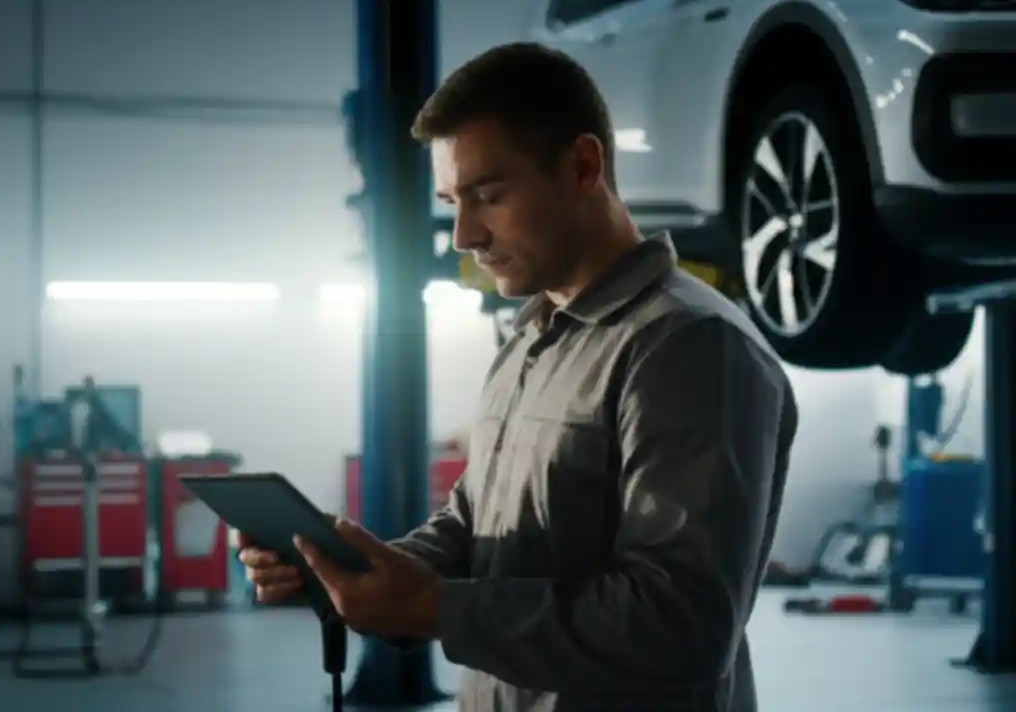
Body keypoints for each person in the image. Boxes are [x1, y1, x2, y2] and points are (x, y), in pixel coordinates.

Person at [238, 42, 798, 712]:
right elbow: (476, 524)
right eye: (452, 201)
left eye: (489, 195)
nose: (463, 235)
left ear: (583, 166)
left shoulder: (689, 346)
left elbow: (681, 622)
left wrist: (433, 607)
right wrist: (354, 572)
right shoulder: (531, 338)